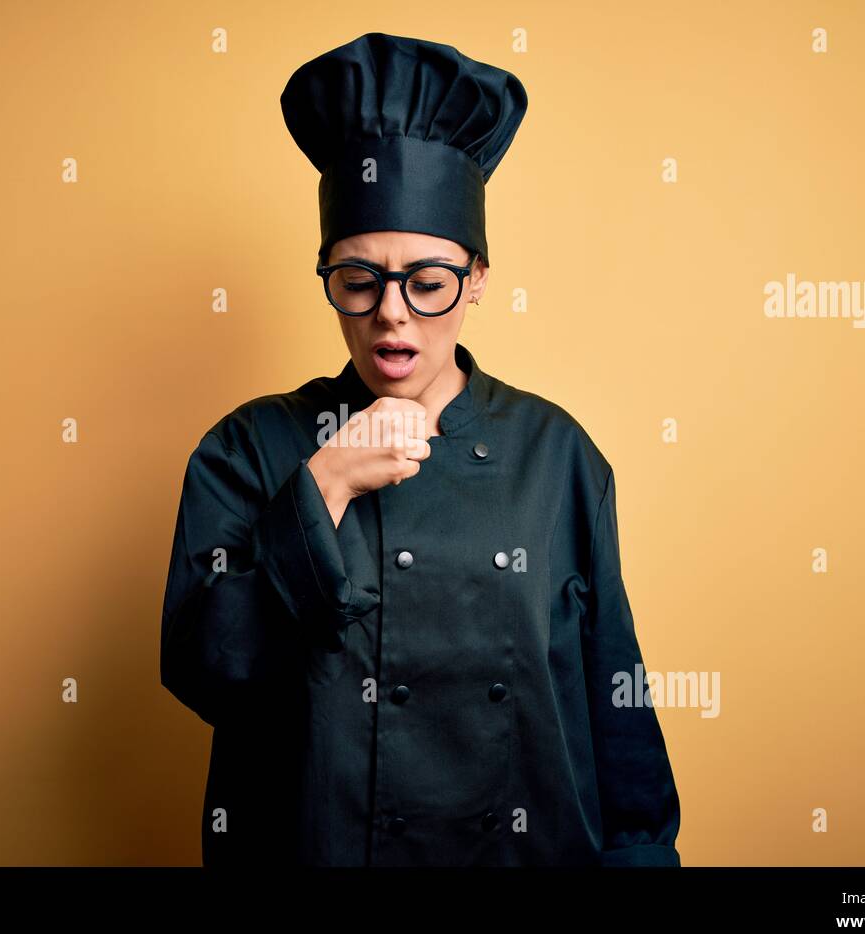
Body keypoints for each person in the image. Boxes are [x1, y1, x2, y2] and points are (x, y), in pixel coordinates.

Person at [160, 31, 681, 866]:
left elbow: (612, 693)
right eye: (359, 280)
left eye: (428, 282)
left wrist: (644, 857)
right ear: (327, 274)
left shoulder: (556, 454)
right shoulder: (250, 447)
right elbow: (205, 673)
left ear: (476, 277)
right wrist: (321, 489)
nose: (391, 314)